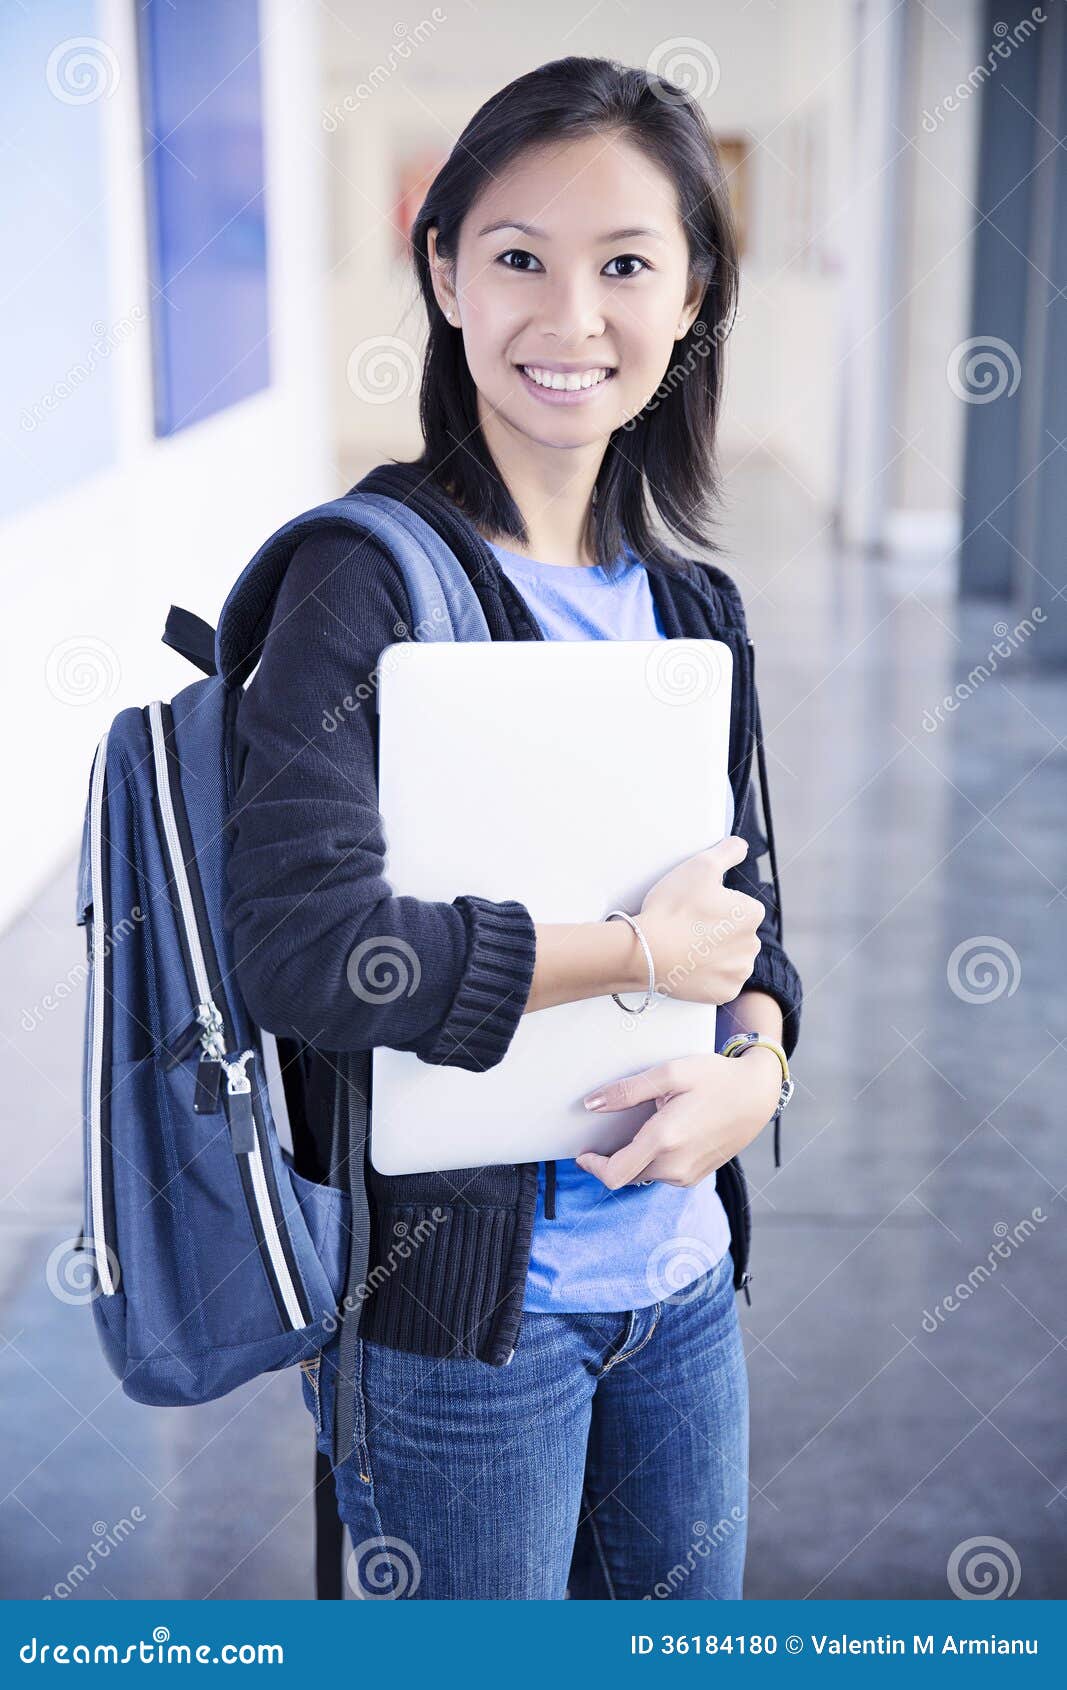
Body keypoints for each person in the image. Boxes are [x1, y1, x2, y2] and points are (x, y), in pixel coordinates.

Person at [224, 54, 802, 1601]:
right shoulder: (363, 582)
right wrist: (627, 950)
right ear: (444, 274)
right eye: (518, 260)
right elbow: (303, 951)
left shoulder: (694, 609)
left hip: (682, 1294)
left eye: (626, 264)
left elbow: (760, 945)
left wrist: (757, 1070)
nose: (571, 318)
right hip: (460, 1333)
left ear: (691, 296)